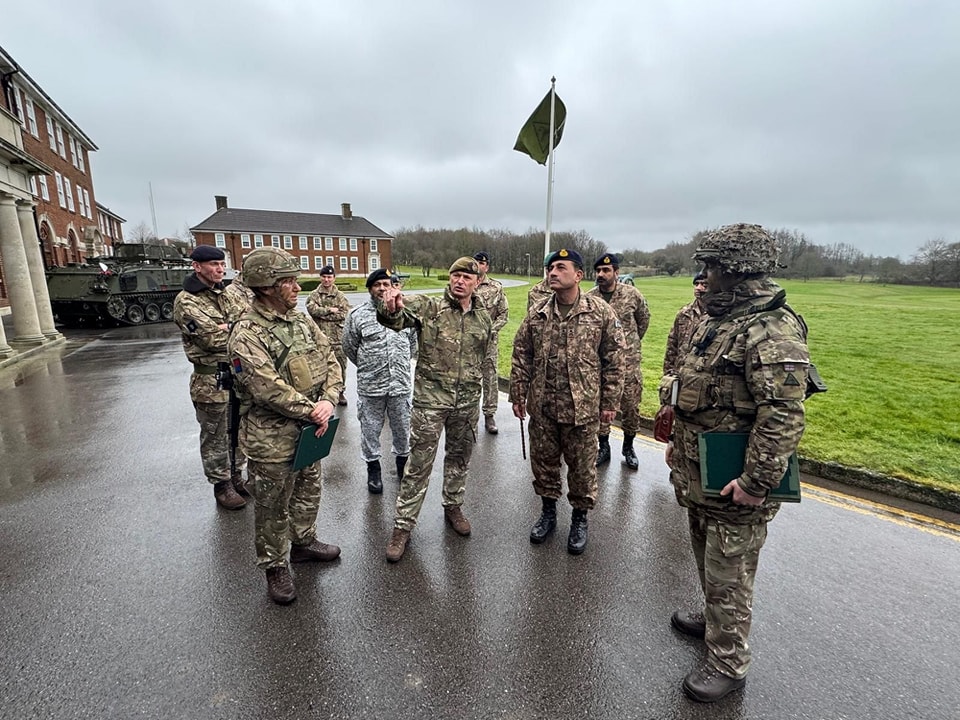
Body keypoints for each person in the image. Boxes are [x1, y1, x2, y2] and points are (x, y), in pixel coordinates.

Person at [662, 223, 810, 702]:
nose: (705, 274)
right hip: (702, 468)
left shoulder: (772, 327)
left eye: (711, 266)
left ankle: (728, 661)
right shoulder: (721, 318)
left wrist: (757, 481)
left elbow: (783, 412)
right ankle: (712, 620)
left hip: (736, 478)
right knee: (708, 554)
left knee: (731, 567)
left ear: (735, 270)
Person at [228, 247, 344, 605]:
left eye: (295, 279)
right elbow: (265, 388)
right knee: (272, 504)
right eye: (288, 281)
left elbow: (330, 358)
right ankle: (275, 566)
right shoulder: (246, 334)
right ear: (265, 286)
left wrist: (328, 397)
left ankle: (304, 543)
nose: (296, 287)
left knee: (309, 487)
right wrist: (314, 410)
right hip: (272, 436)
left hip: (310, 428)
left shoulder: (300, 319)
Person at [509, 248, 626, 555]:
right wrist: (519, 393)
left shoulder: (600, 312)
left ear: (578, 275)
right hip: (544, 407)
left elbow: (614, 359)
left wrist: (609, 402)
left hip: (583, 409)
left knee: (582, 469)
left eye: (561, 267)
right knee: (544, 465)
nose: (552, 272)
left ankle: (579, 518)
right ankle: (548, 513)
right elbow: (522, 354)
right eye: (550, 268)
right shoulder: (538, 313)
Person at [377, 257, 492, 563]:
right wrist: (390, 306)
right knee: (418, 465)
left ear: (477, 282)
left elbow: (485, 358)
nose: (460, 281)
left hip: (466, 403)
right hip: (430, 401)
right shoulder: (429, 307)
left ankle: (453, 505)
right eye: (455, 274)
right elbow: (396, 318)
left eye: (467, 277)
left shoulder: (483, 317)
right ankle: (403, 526)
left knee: (459, 459)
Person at [173, 245, 250, 511]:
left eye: (222, 264)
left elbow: (250, 322)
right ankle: (222, 485)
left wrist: (230, 326)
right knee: (216, 434)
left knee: (239, 429)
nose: (220, 269)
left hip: (238, 375)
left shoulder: (226, 294)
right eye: (214, 264)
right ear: (197, 266)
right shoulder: (187, 300)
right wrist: (233, 329)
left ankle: (237, 475)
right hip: (210, 380)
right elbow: (210, 339)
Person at [343, 268, 417, 494]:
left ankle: (402, 465)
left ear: (394, 287)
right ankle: (373, 470)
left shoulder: (407, 314)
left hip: (400, 384)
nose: (383, 289)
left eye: (387, 284)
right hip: (370, 385)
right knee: (370, 429)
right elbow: (349, 346)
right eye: (378, 285)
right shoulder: (357, 315)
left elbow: (413, 344)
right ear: (370, 289)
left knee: (403, 428)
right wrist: (369, 367)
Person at [587, 253, 650, 470]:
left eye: (606, 271)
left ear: (616, 272)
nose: (601, 275)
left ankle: (629, 446)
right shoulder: (590, 298)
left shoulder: (632, 295)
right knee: (601, 407)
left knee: (631, 407)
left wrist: (629, 346)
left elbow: (643, 320)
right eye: (598, 271)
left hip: (628, 363)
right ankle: (603, 446)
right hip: (600, 364)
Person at [472, 251, 509, 434]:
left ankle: (489, 415)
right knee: (468, 379)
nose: (479, 266)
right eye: (476, 262)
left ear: (487, 266)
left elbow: (504, 314)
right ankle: (468, 416)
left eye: (482, 263)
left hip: (489, 343)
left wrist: (491, 330)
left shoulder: (495, 287)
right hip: (467, 343)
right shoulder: (464, 283)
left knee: (490, 379)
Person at [306, 265, 351, 407]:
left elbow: (344, 314)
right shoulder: (314, 295)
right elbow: (311, 309)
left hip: (337, 338)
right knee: (318, 367)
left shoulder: (340, 296)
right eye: (324, 276)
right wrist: (329, 310)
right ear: (321, 277)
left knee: (340, 366)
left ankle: (340, 392)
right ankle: (320, 395)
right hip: (319, 339)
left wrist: (322, 314)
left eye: (329, 277)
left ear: (334, 278)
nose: (326, 279)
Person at [662, 271, 708, 375]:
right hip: (680, 372)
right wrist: (668, 373)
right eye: (696, 284)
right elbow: (672, 344)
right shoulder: (684, 312)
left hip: (701, 374)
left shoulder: (717, 315)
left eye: (704, 285)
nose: (698, 288)